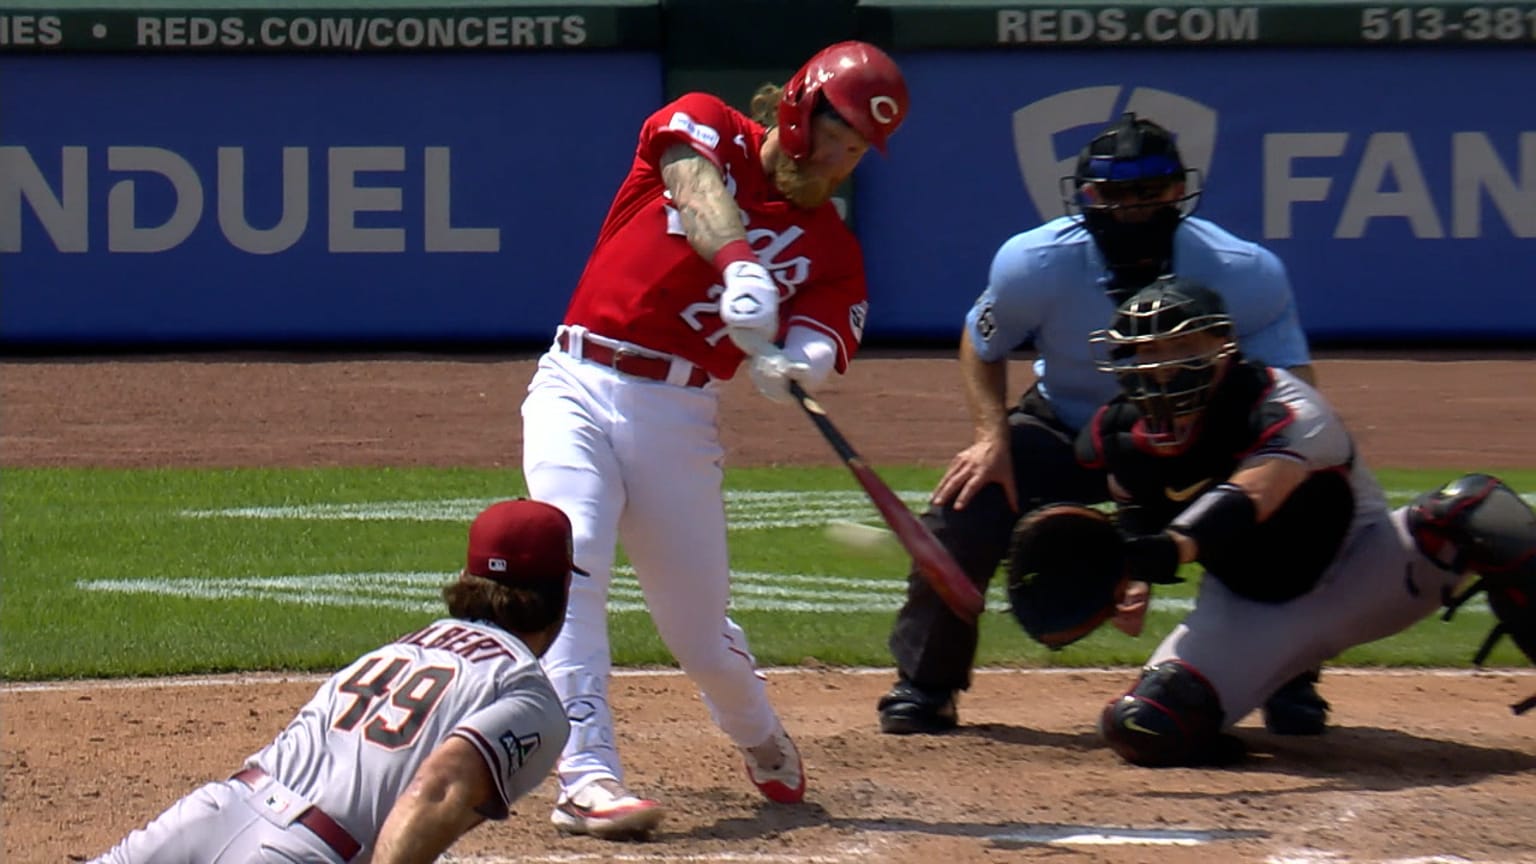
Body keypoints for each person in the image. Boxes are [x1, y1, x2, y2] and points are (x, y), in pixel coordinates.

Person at [520, 41, 909, 840]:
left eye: (857, 152)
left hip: (679, 416)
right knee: (574, 563)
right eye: (835, 136)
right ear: (798, 107)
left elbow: (827, 337)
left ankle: (759, 733)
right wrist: (738, 264)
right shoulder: (706, 122)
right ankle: (586, 777)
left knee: (697, 634)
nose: (841, 160)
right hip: (575, 380)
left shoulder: (831, 249)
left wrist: (795, 364)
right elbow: (696, 191)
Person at [878, 111, 1327, 737]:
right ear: (1086, 197)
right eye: (1113, 195)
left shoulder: (1242, 270)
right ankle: (925, 684)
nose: (1131, 210)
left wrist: (1256, 470)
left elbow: (1294, 387)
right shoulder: (1033, 262)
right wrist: (991, 439)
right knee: (967, 499)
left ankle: (1288, 679)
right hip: (1068, 427)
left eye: (1148, 193)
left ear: (1178, 191)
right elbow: (982, 342)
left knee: (1288, 499)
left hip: (1196, 438)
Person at [1069, 277, 1536, 766]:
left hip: (1370, 571)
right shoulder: (1116, 435)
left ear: (1222, 346)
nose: (1161, 366)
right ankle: (1273, 680)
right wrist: (1133, 576)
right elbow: (1137, 505)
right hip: (1247, 608)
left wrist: (1173, 546)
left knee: (1476, 507)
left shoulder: (1284, 406)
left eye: (1182, 344)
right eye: (1147, 351)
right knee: (1145, 727)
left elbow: (1255, 491)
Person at [90, 499, 581, 864]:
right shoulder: (526, 692)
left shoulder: (398, 648)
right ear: (562, 591)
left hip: (212, 811)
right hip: (303, 852)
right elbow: (438, 788)